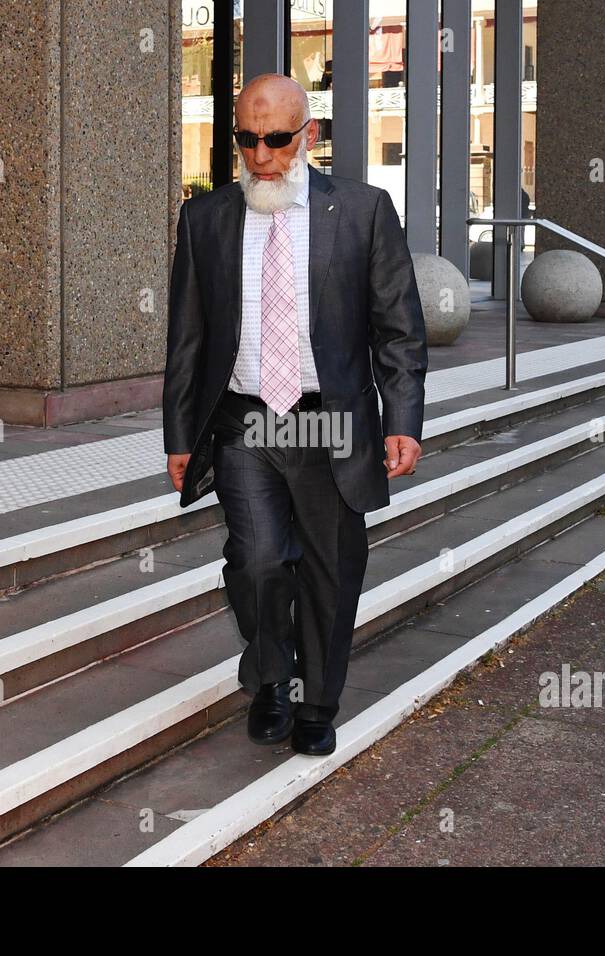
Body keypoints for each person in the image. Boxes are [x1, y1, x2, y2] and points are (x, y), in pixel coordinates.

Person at [162, 74, 428, 757]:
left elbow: (397, 328)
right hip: (246, 420)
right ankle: (272, 678)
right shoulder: (207, 220)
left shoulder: (364, 211)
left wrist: (402, 417)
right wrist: (180, 435)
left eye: (277, 140)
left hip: (326, 419)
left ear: (308, 135)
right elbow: (187, 340)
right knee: (255, 562)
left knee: (329, 567)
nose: (261, 157)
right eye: (247, 141)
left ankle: (320, 699)